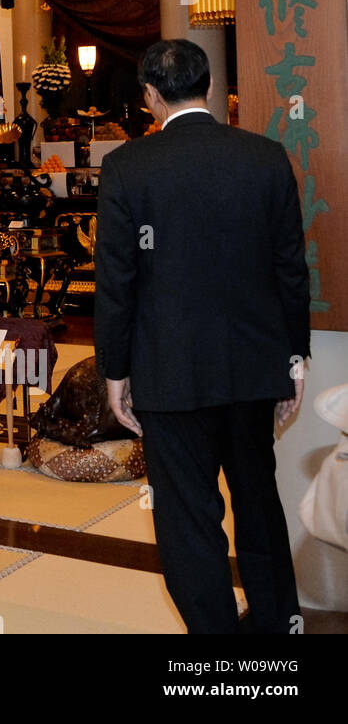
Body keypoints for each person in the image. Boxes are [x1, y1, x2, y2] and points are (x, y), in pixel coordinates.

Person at [95, 39, 310, 634]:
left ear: (150, 97)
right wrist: (294, 360)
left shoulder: (127, 167)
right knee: (258, 503)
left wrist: (115, 372)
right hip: (251, 369)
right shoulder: (266, 157)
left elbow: (116, 281)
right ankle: (278, 631)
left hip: (169, 374)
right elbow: (290, 269)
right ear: (210, 88)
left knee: (188, 518)